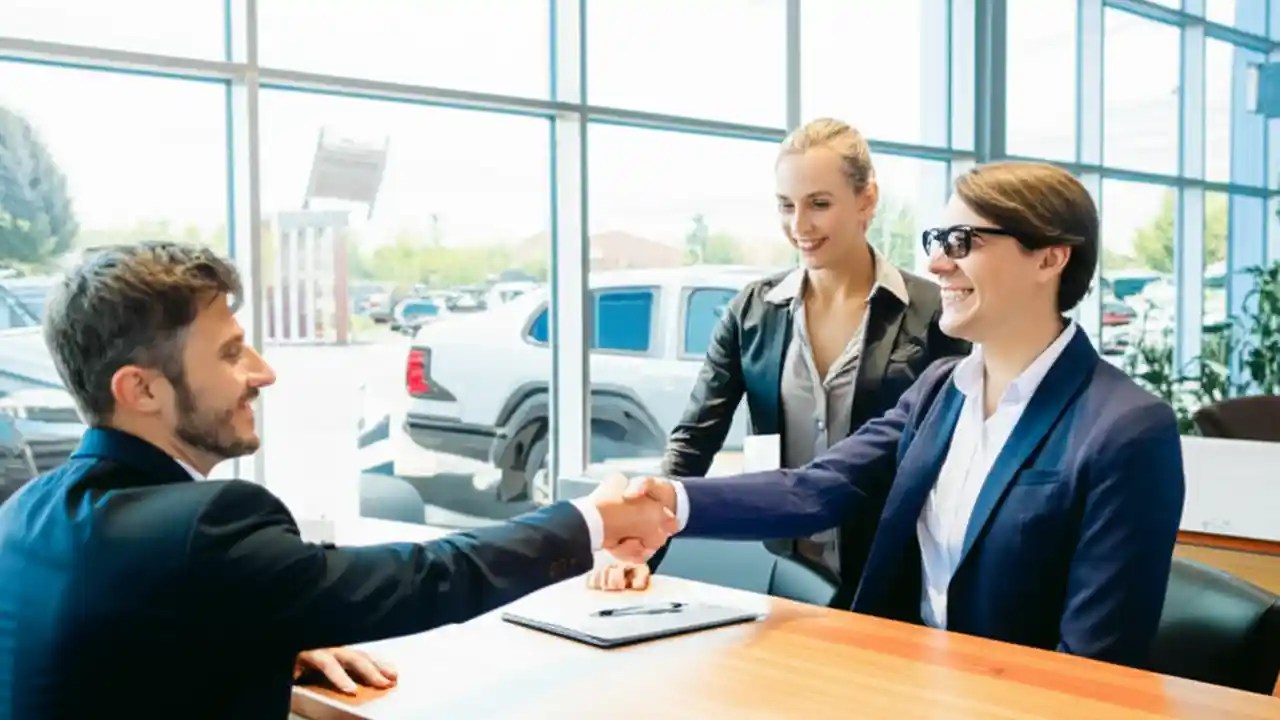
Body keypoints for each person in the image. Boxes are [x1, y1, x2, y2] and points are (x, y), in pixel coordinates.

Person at [0, 242, 674, 719]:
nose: (264, 373)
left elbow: (108, 648)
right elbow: (425, 578)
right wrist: (594, 522)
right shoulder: (203, 528)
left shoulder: (26, 514)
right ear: (140, 390)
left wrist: (257, 636)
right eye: (231, 354)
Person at [622, 161, 1186, 670]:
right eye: (938, 240)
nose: (938, 264)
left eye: (964, 241)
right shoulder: (942, 389)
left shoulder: (1127, 431)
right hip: (904, 683)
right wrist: (668, 501)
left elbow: (1092, 671)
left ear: (1050, 257)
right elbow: (815, 490)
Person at [589, 118, 968, 599]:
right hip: (791, 576)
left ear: (867, 200)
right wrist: (639, 549)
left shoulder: (934, 311)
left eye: (819, 204)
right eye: (786, 206)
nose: (799, 226)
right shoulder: (752, 312)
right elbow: (693, 443)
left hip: (896, 575)